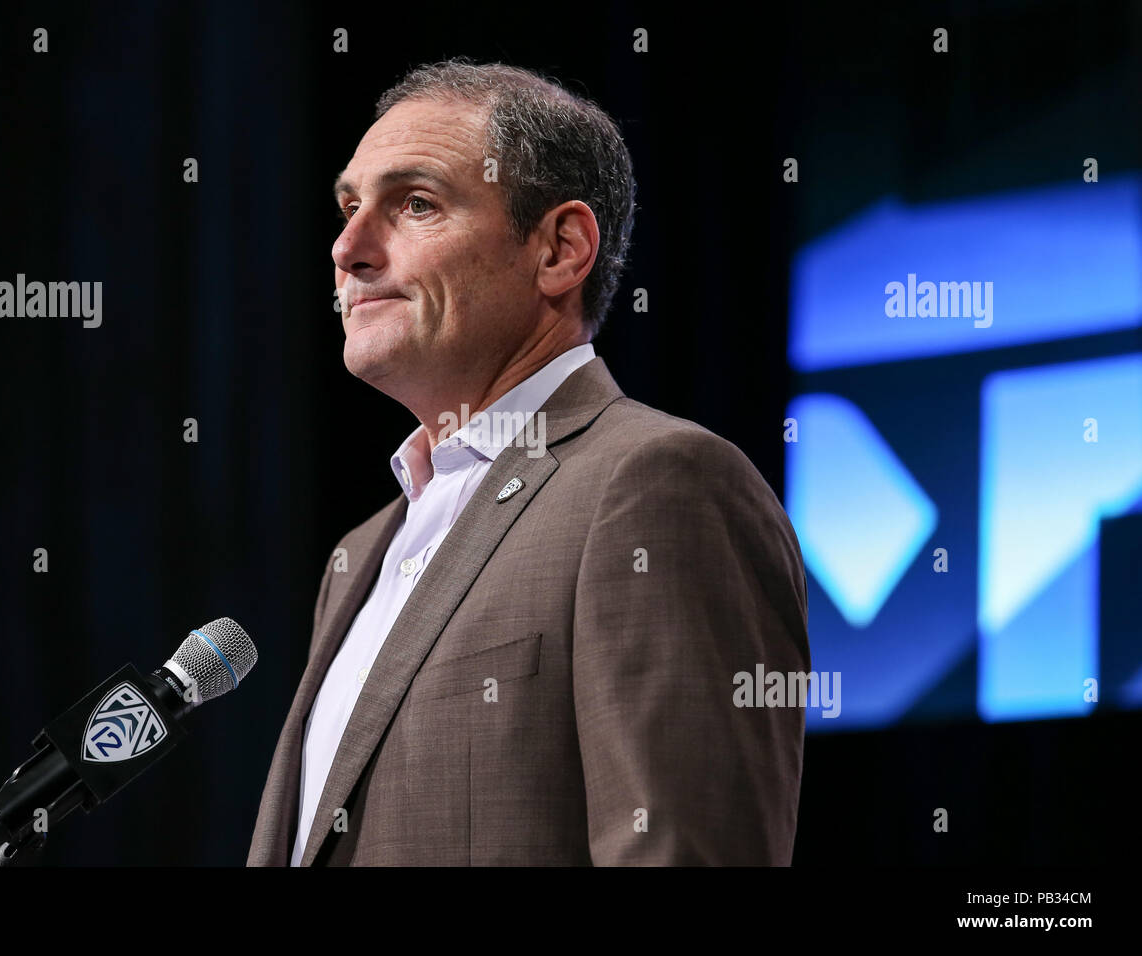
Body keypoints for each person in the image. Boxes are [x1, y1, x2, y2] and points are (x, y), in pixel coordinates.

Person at [247, 57, 810, 866]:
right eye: (347, 207)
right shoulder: (358, 554)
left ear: (559, 250)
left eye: (414, 203)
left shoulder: (657, 484)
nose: (349, 248)